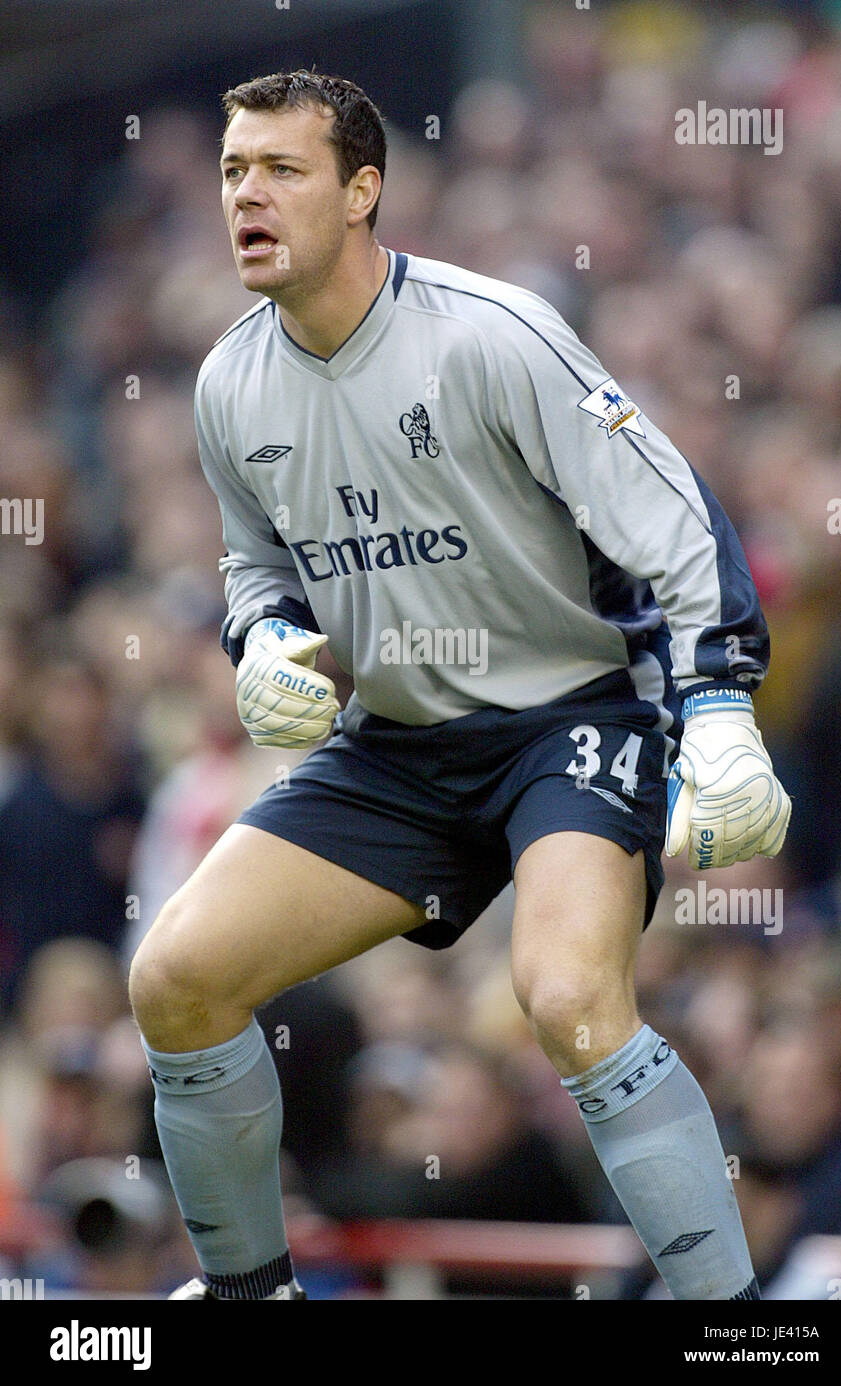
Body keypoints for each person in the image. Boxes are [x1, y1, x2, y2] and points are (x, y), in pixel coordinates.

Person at [128, 70, 791, 1302]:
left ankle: (735, 1327)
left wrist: (716, 707)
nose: (246, 197)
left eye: (281, 170)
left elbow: (675, 518)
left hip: (566, 722)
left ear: (363, 190)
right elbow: (251, 559)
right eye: (231, 172)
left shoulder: (492, 333)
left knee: (568, 998)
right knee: (174, 978)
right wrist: (265, 636)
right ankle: (248, 1296)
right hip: (394, 751)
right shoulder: (228, 385)